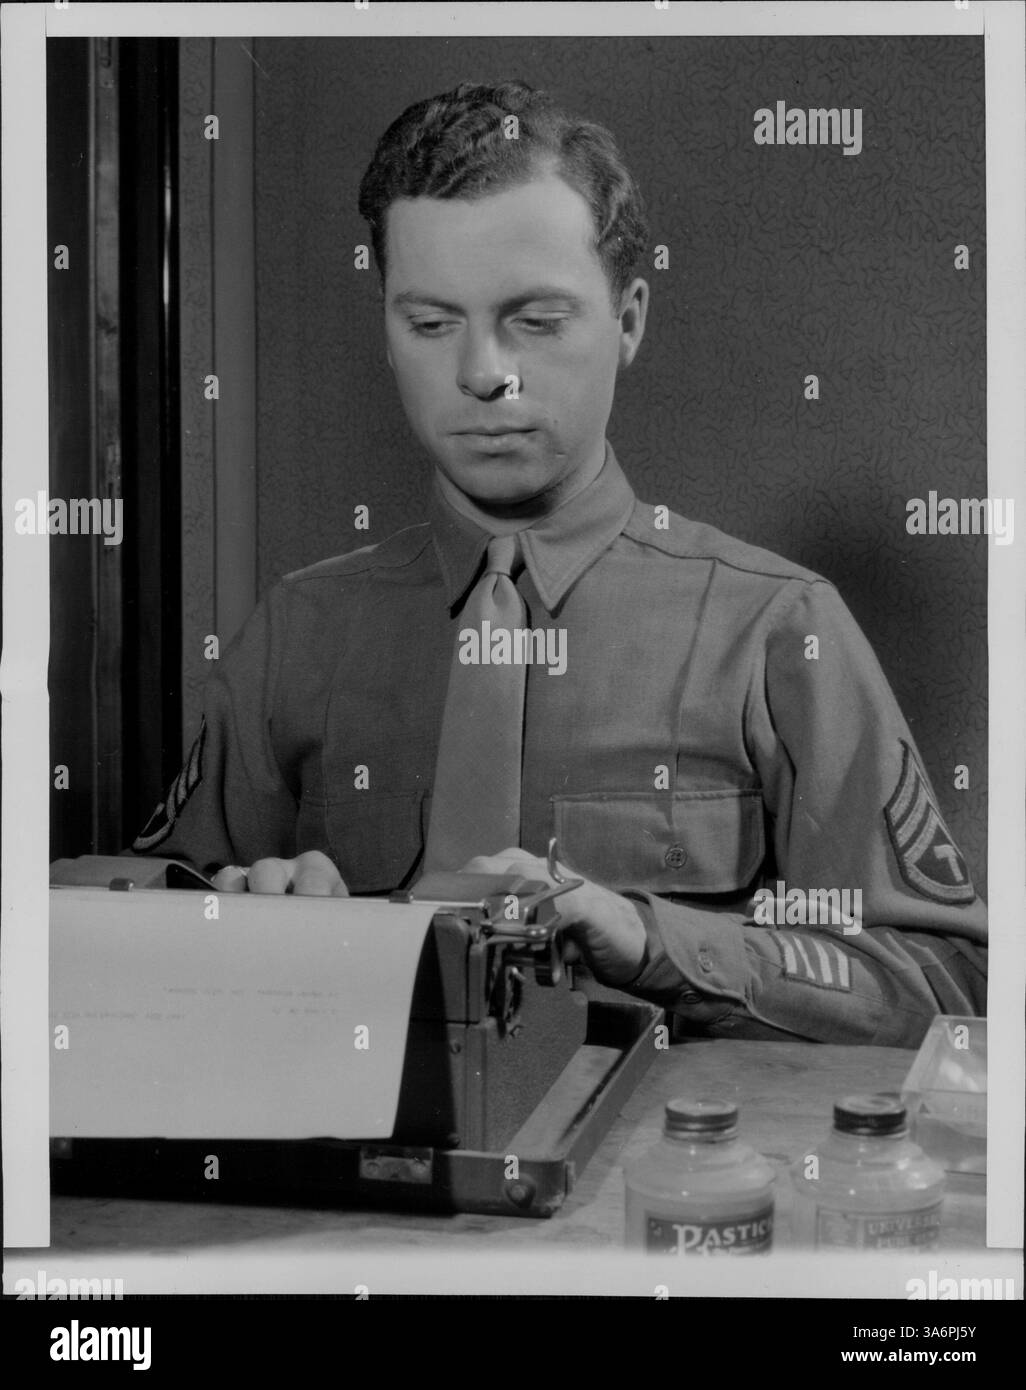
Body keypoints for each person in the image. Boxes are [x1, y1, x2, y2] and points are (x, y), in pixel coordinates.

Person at [131, 80, 986, 1046]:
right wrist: (238, 918)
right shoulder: (296, 633)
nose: (483, 374)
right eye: (429, 322)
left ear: (628, 321)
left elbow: (948, 985)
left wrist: (659, 942)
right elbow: (119, 957)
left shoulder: (779, 629)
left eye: (536, 320)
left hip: (663, 1187)